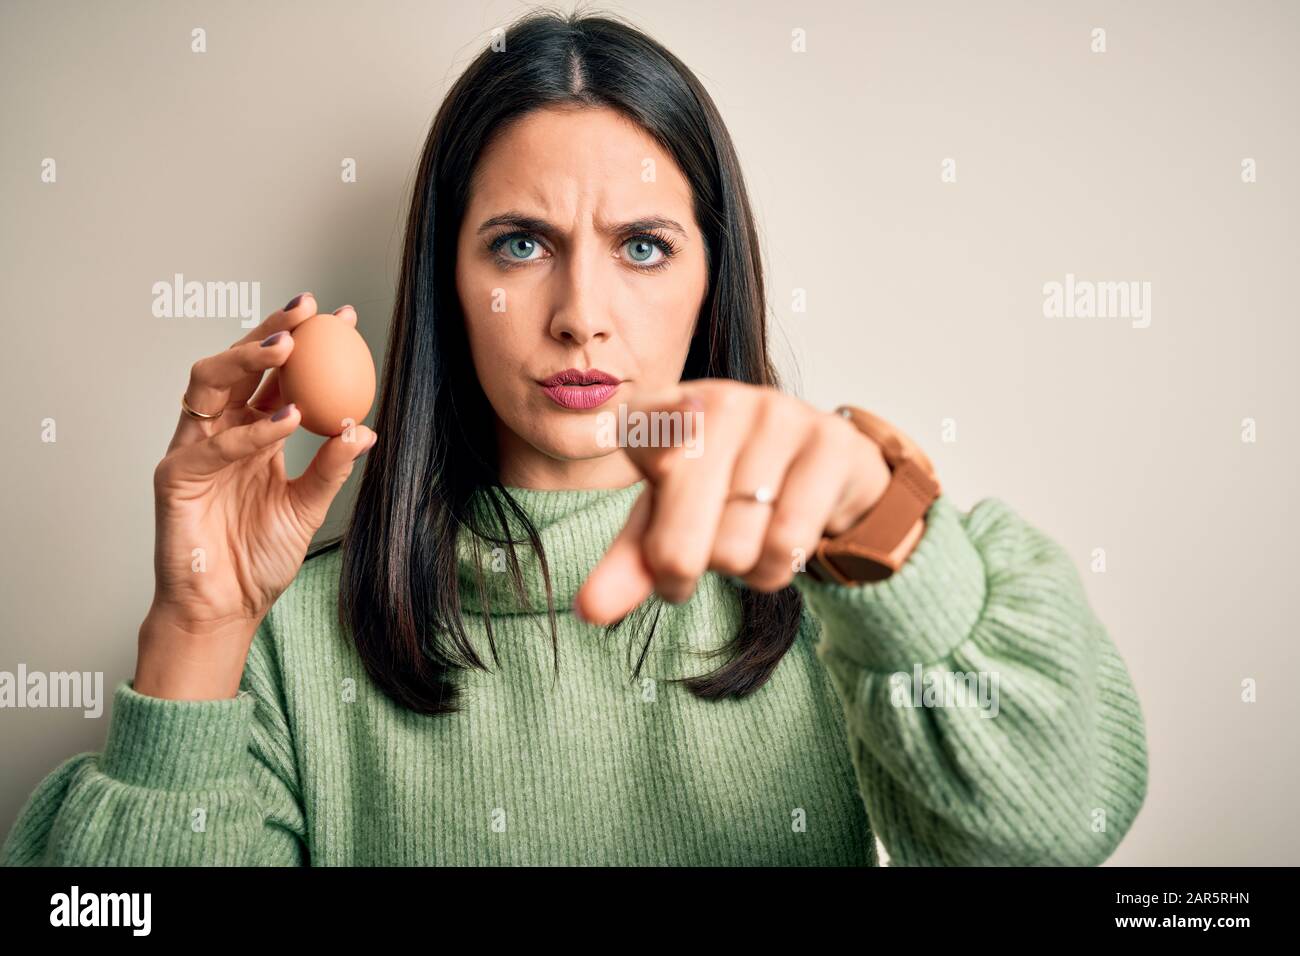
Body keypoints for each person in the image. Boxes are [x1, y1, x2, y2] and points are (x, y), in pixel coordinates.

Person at [1, 9, 1147, 867]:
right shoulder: (285, 651)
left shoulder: (841, 593)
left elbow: (1065, 824)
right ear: (444, 282)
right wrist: (195, 628)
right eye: (518, 243)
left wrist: (879, 527)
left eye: (644, 245)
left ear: (712, 277)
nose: (581, 313)